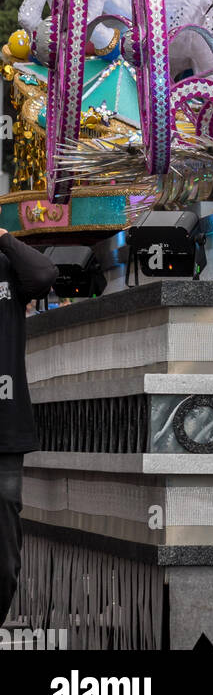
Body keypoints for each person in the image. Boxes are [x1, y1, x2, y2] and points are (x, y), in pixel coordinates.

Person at [0, 228, 58, 623]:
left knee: (3, 557)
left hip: (4, 431)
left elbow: (43, 275)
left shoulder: (8, 268)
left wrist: (3, 237)